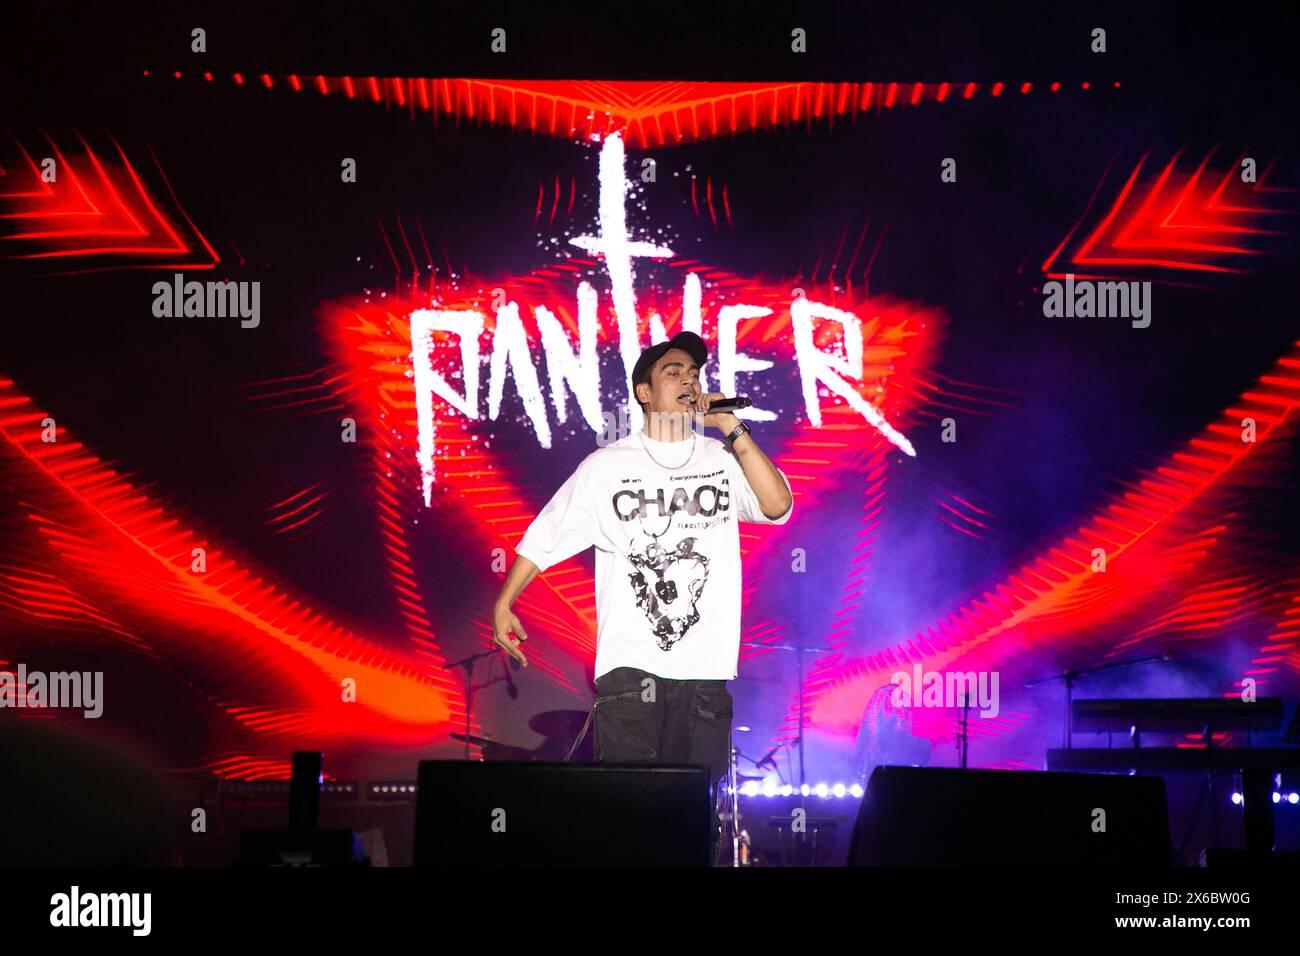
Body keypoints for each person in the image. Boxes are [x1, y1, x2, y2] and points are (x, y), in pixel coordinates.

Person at [491, 330, 793, 813]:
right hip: (630, 670)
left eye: (694, 373)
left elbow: (776, 506)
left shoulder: (720, 458)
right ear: (644, 392)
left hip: (706, 671)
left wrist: (731, 428)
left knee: (694, 820)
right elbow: (546, 534)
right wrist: (505, 602)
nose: (688, 381)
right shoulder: (606, 466)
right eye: (673, 372)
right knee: (629, 816)